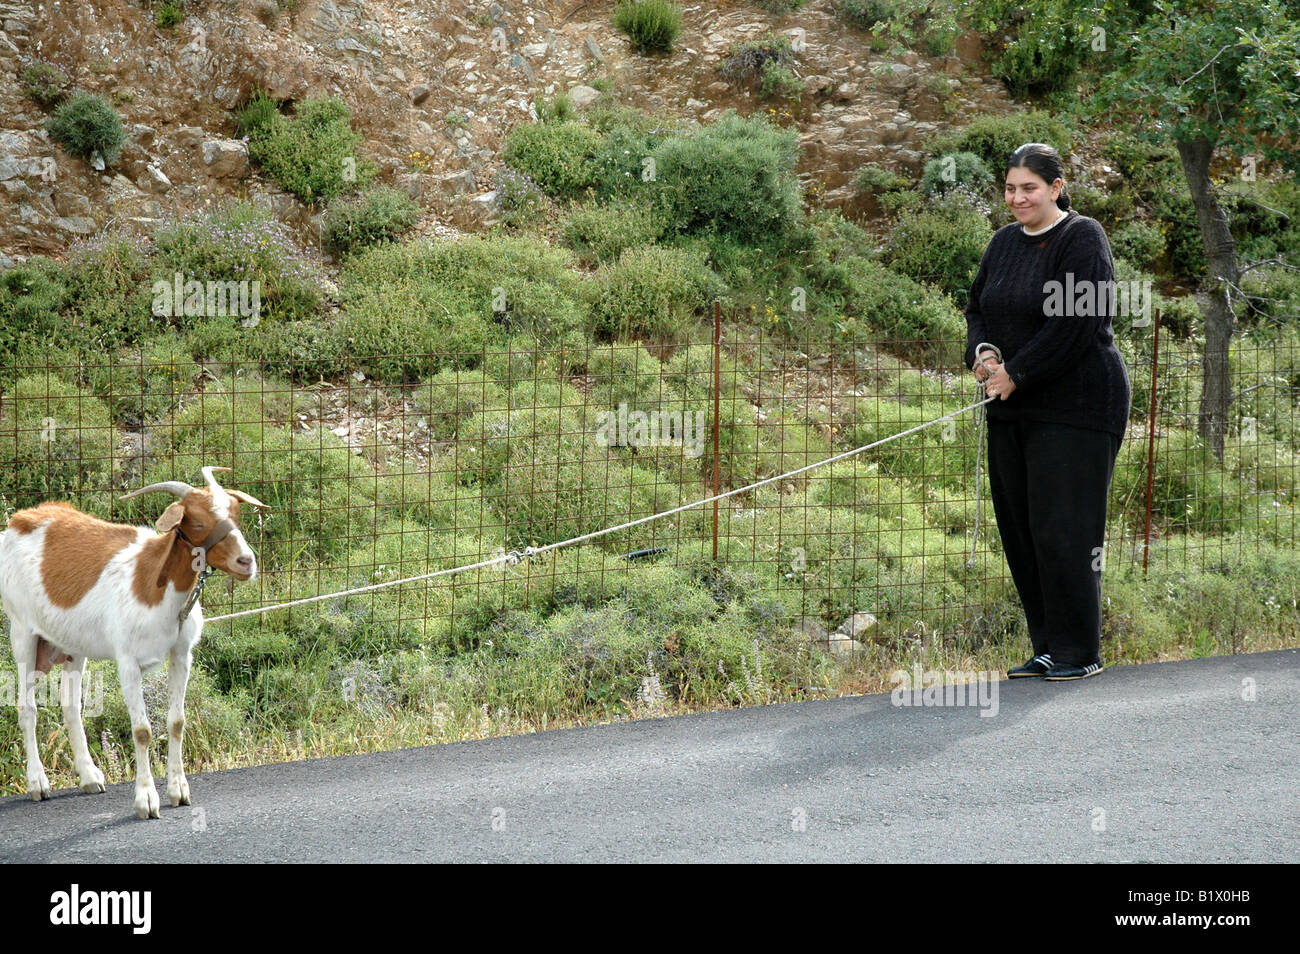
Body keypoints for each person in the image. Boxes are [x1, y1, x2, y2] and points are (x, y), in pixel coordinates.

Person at [964, 142, 1131, 681]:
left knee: (1066, 530)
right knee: (1023, 529)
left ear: (1056, 188)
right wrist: (984, 354)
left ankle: (1079, 652)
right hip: (1011, 407)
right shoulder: (1002, 243)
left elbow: (1078, 323)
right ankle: (1048, 647)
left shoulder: (1082, 238)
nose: (1017, 198)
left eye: (1028, 188)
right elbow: (977, 308)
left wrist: (1020, 373)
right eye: (1010, 189)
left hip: (1077, 406)